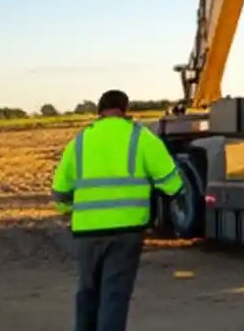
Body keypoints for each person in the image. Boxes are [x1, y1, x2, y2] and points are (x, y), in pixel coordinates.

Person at [50, 89, 185, 331]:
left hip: (87, 232)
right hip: (127, 231)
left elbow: (60, 192)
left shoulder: (80, 141)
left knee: (87, 294)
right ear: (125, 109)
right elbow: (171, 183)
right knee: (114, 296)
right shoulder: (139, 137)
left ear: (99, 111)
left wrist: (69, 209)